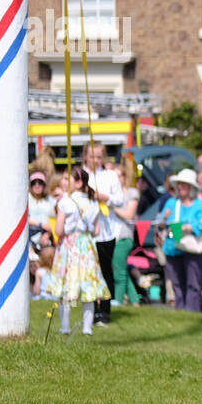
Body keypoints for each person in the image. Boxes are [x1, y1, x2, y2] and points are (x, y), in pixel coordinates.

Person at [44, 164, 109, 335]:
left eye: (67, 179)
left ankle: (65, 326)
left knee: (67, 287)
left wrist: (68, 228)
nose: (63, 182)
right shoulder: (93, 203)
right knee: (87, 287)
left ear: (79, 183)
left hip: (69, 248)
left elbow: (58, 231)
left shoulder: (65, 203)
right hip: (86, 248)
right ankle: (87, 328)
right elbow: (96, 231)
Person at [158, 168, 202, 312]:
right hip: (172, 247)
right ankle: (180, 311)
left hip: (192, 249)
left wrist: (187, 227)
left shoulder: (200, 205)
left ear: (192, 188)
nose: (181, 187)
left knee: (193, 283)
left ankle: (192, 311)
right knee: (176, 282)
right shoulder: (171, 203)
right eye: (179, 184)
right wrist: (163, 218)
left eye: (184, 184)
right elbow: (160, 224)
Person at [84, 143, 124, 325]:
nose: (96, 160)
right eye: (92, 156)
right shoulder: (80, 176)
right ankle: (90, 310)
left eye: (99, 157)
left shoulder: (110, 176)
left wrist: (104, 197)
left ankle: (105, 311)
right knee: (89, 272)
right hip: (86, 231)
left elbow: (120, 200)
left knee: (105, 270)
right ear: (85, 156)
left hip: (106, 231)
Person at [112, 155, 142, 307]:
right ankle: (135, 300)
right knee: (121, 268)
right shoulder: (111, 194)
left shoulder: (131, 193)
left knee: (119, 271)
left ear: (124, 177)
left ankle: (117, 300)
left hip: (124, 236)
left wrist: (111, 206)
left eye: (119, 176)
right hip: (112, 236)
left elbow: (129, 215)